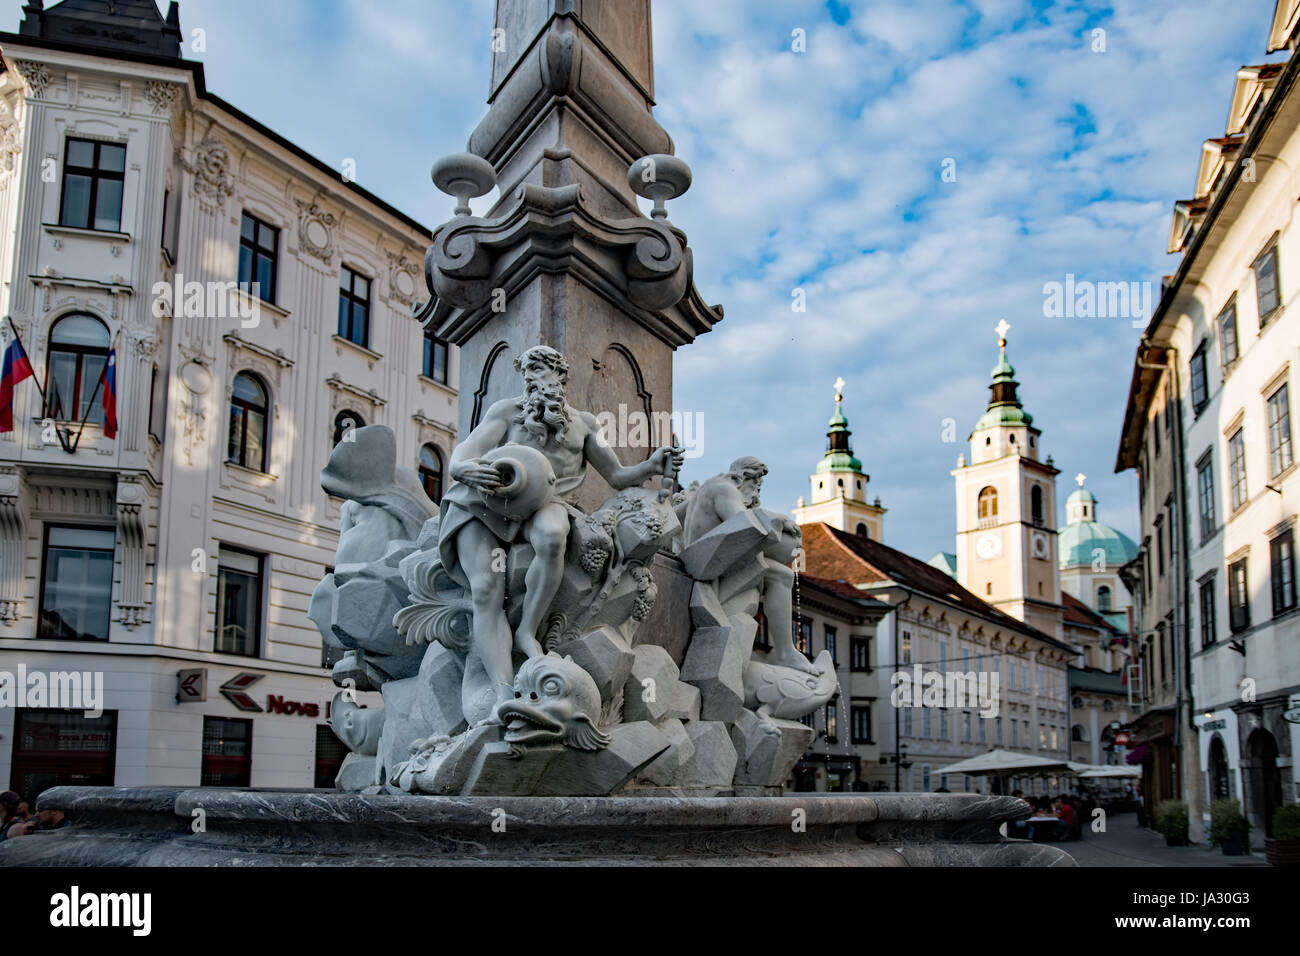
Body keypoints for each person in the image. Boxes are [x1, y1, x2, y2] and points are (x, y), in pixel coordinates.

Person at [439, 345, 681, 717]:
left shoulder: (583, 424)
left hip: (548, 503)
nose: (543, 377)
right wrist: (464, 470)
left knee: (553, 536)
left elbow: (616, 476)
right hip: (488, 505)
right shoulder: (506, 412)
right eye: (534, 370)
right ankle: (503, 692)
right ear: (525, 378)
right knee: (485, 589)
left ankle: (527, 629)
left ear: (563, 379)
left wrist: (650, 463)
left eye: (551, 370)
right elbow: (463, 454)